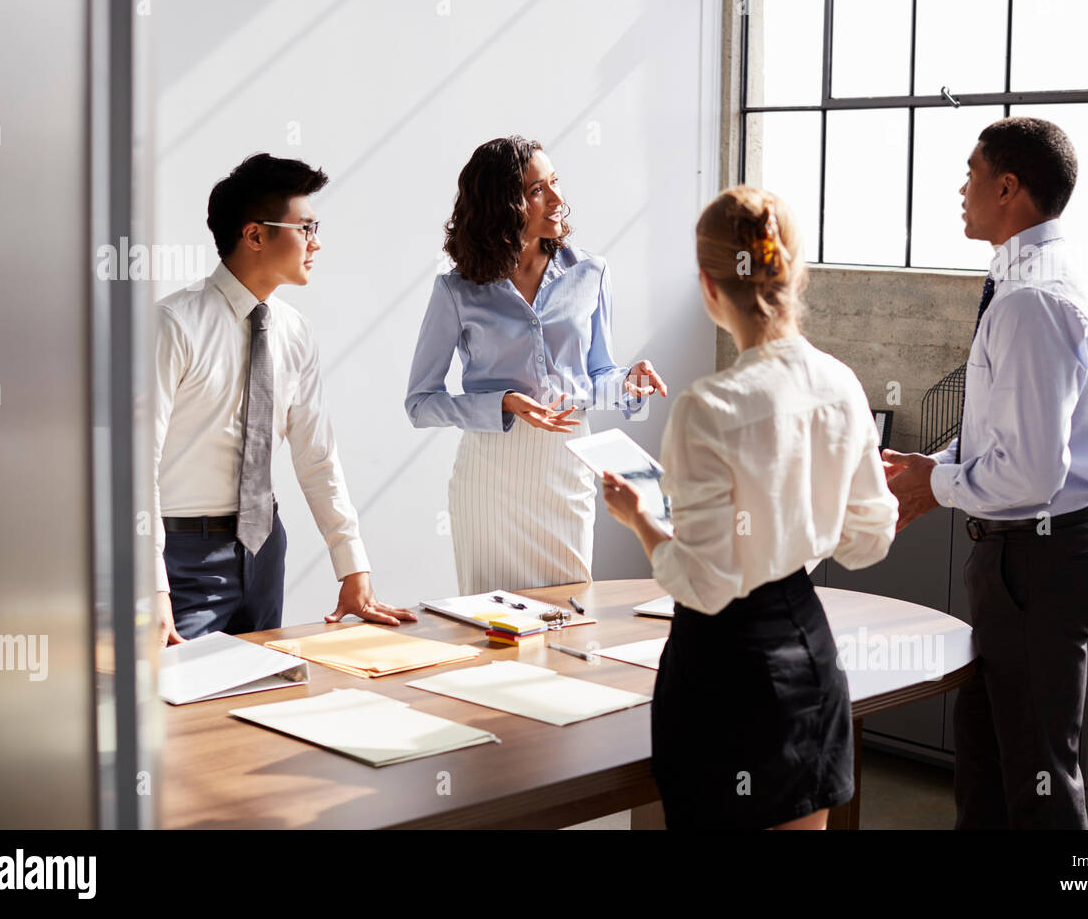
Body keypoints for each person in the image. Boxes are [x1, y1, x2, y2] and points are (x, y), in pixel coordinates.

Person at [602, 186, 897, 830]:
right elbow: (867, 541)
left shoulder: (709, 409)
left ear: (708, 287)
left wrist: (640, 520)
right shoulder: (840, 383)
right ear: (795, 271)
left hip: (723, 670)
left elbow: (702, 584)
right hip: (808, 654)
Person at [883, 117, 1088, 829]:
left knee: (1038, 777)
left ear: (1008, 187)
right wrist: (940, 467)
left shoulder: (1032, 300)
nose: (961, 189)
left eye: (971, 173)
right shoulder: (1035, 281)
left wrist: (938, 485)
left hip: (1036, 556)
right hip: (1027, 556)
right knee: (988, 762)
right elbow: (1003, 428)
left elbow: (1034, 472)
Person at [154, 153, 415, 648]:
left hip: (264, 547)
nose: (317, 242)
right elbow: (133, 466)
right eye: (306, 227)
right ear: (254, 235)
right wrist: (153, 587)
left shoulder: (295, 331)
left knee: (258, 696)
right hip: (180, 558)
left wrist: (351, 564)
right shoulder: (172, 326)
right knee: (177, 710)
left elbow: (317, 456)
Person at [405, 135, 667, 595]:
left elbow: (597, 376)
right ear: (502, 204)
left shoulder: (591, 273)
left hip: (565, 469)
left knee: (568, 613)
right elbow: (420, 403)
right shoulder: (456, 291)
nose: (558, 199)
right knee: (489, 624)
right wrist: (502, 403)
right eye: (536, 190)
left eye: (555, 182)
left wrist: (629, 383)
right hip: (489, 478)